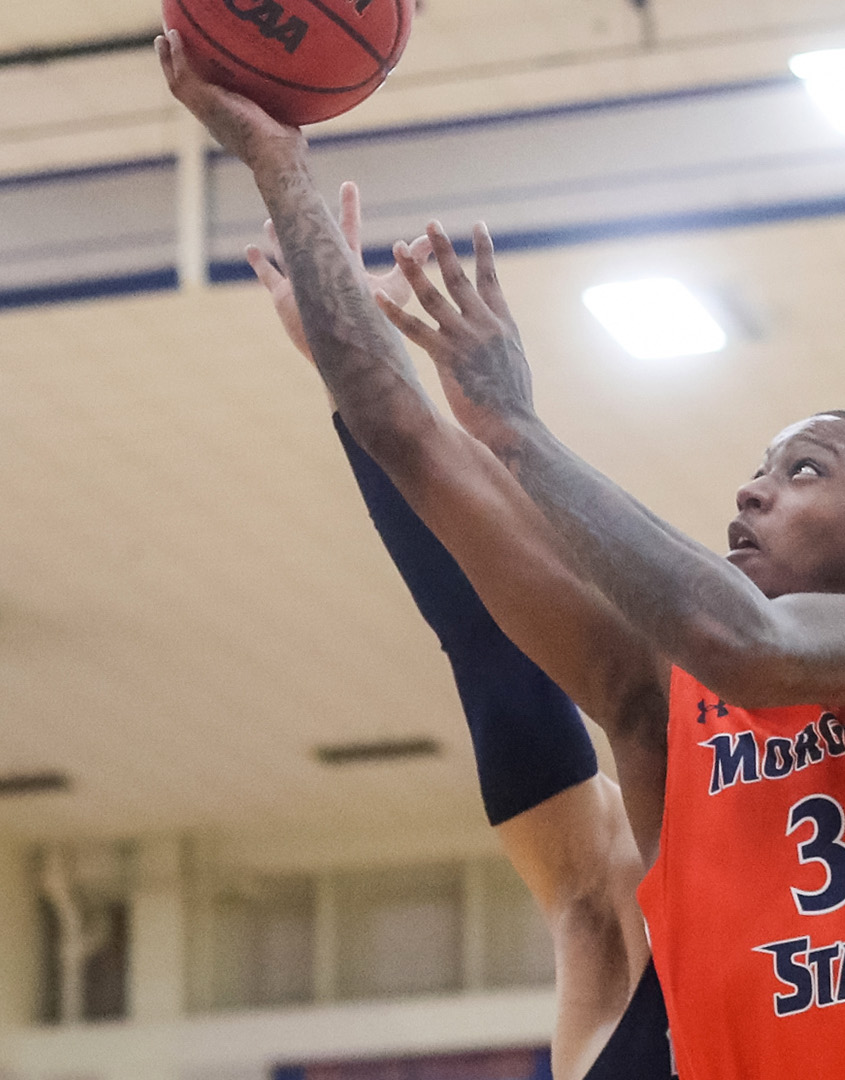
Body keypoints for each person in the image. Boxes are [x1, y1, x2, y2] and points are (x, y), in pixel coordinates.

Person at [159, 31, 845, 1079]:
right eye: (760, 467)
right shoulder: (661, 704)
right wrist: (280, 171)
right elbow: (411, 445)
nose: (752, 488)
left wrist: (520, 431)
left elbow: (749, 644)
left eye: (805, 469)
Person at [253, 187, 671, 1080]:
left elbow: (488, 646)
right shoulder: (627, 911)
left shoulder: (627, 924)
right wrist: (355, 367)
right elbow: (493, 636)